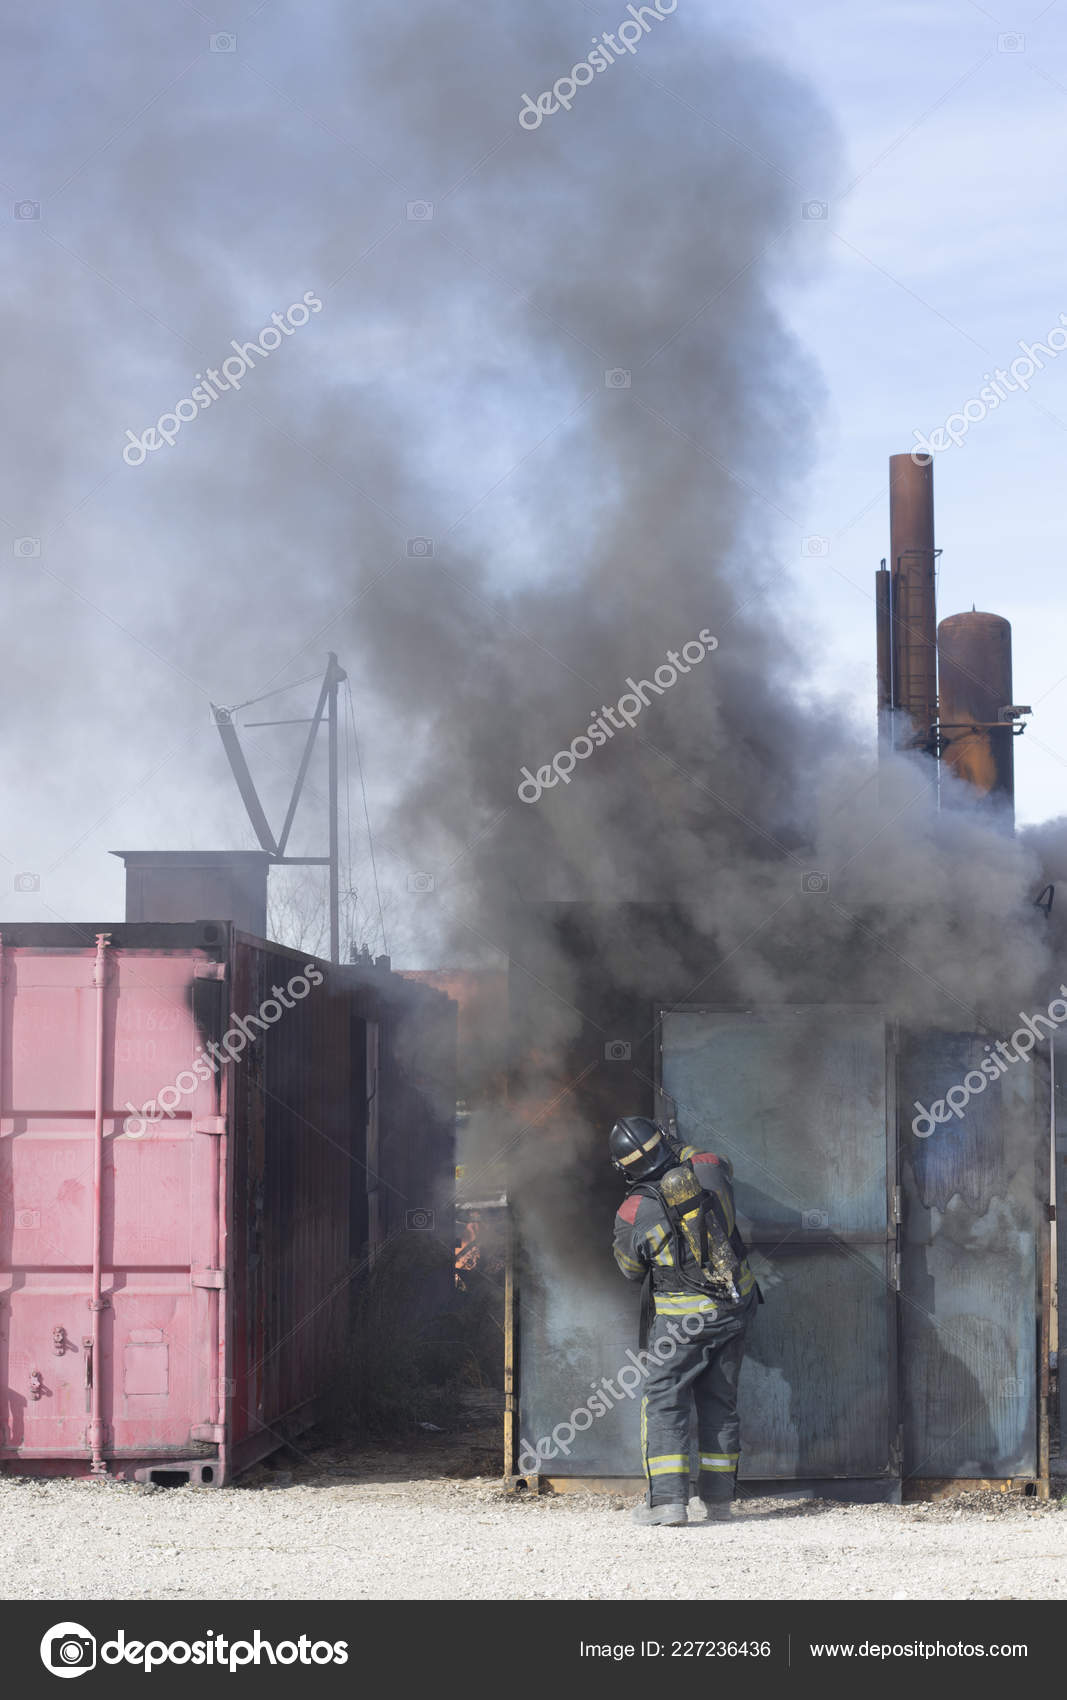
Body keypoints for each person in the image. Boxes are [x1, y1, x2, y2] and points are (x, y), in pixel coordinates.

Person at [610, 1115, 759, 1527]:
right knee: (720, 1402)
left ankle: (668, 1503)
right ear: (666, 1142)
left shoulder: (633, 1209)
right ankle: (720, 1502)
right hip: (733, 1309)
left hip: (680, 1324)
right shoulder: (709, 1166)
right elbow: (713, 1160)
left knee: (664, 1402)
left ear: (626, 1168)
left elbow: (629, 1269)